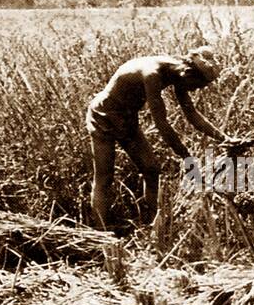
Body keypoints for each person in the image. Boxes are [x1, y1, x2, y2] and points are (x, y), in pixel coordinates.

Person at [87, 46, 242, 230]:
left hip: (127, 118)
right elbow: (161, 123)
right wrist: (185, 156)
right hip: (103, 115)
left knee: (151, 170)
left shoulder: (177, 73)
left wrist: (224, 138)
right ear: (188, 75)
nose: (193, 91)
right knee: (105, 177)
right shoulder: (152, 73)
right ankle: (101, 231)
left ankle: (153, 225)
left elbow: (192, 114)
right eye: (196, 86)